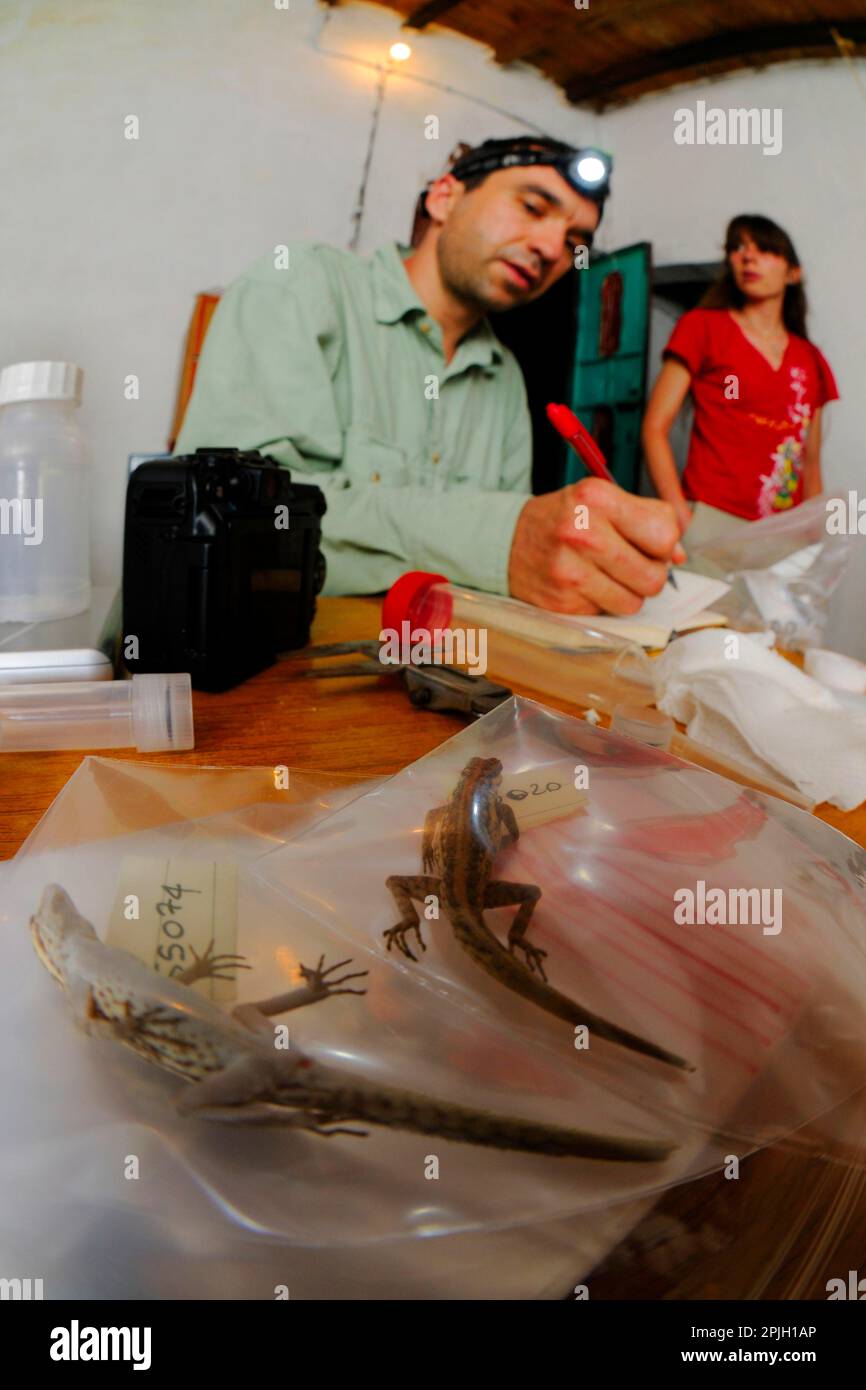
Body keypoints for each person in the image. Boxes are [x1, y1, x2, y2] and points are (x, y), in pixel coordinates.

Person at [176, 135, 683, 615]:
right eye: (532, 207)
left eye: (575, 240)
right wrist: (499, 542)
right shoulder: (301, 286)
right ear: (444, 197)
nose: (553, 249)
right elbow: (235, 520)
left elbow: (498, 583)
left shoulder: (504, 377)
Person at [642, 214, 838, 549]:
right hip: (710, 522)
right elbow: (654, 427)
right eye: (737, 247)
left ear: (793, 272)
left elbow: (810, 459)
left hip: (783, 534)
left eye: (764, 249)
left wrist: (812, 538)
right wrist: (680, 514)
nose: (747, 256)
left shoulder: (811, 359)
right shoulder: (703, 327)